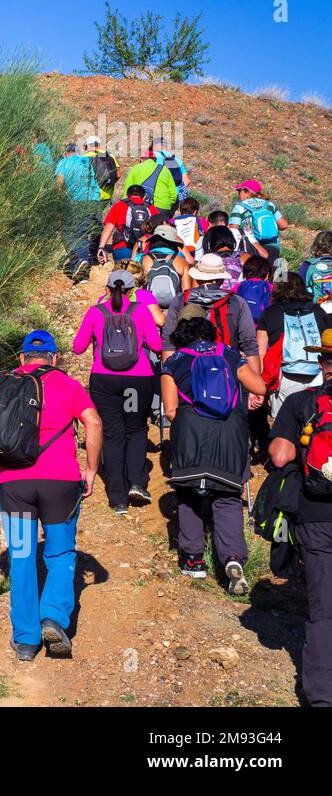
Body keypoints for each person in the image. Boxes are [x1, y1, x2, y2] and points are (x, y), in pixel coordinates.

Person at [0, 330, 102, 661]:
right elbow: (93, 422)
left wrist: (5, 457)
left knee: (21, 556)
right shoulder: (68, 384)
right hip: (60, 481)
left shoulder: (0, 382)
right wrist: (91, 469)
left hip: (14, 483)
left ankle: (26, 640)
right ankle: (54, 618)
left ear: (21, 358)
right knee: (60, 553)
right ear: (54, 358)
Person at [161, 316, 266, 591]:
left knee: (188, 494)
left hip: (191, 431)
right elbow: (259, 387)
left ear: (181, 338)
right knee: (228, 496)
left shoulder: (174, 361)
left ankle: (193, 561)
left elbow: (170, 410)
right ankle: (233, 558)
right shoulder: (229, 354)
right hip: (230, 431)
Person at [268, 329, 332, 706]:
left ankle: (321, 696)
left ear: (323, 362)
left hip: (316, 516)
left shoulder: (301, 402)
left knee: (324, 609)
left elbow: (279, 456)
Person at [73, 271, 164, 513]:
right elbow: (156, 345)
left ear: (107, 288)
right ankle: (137, 482)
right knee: (135, 429)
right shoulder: (140, 310)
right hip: (137, 379)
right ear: (131, 290)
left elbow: (78, 347)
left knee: (112, 434)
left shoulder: (96, 312)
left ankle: (117, 498)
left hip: (105, 380)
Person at [163, 252, 262, 378]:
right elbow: (249, 343)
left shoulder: (181, 300)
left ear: (197, 278)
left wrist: (168, 376)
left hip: (189, 372)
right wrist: (255, 382)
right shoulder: (236, 302)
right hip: (226, 372)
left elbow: (169, 342)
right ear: (222, 278)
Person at [259, 273, 331, 419]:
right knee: (316, 421)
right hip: (318, 375)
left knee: (284, 423)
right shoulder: (318, 311)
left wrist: (261, 386)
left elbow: (261, 352)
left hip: (286, 376)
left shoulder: (270, 313)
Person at [53, 141, 105, 282]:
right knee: (85, 232)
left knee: (70, 233)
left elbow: (59, 183)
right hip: (94, 202)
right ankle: (82, 269)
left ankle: (81, 261)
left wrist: (57, 201)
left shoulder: (64, 162)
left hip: (76, 203)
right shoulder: (86, 162)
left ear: (66, 153)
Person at [98, 184, 162, 266]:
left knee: (122, 272)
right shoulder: (151, 208)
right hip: (144, 249)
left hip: (122, 247)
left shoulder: (119, 205)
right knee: (142, 273)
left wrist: (101, 247)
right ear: (144, 197)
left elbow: (108, 227)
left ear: (127, 195)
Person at [123, 137, 190, 214]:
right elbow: (187, 181)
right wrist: (174, 195)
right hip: (169, 202)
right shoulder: (176, 159)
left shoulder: (152, 158)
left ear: (153, 146)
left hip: (150, 200)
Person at [229, 179, 289, 261]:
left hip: (252, 247)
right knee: (271, 268)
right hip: (273, 246)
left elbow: (233, 229)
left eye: (239, 191)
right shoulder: (269, 204)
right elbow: (284, 225)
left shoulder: (240, 207)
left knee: (255, 269)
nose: (238, 194)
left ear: (247, 192)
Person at [139, 223, 193, 308]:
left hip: (149, 307)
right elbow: (186, 294)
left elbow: (137, 291)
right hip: (173, 308)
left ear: (153, 241)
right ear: (174, 243)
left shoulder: (142, 259)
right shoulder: (182, 262)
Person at [83, 135, 120, 204]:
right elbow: (118, 174)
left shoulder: (85, 157)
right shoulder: (109, 155)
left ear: (88, 146)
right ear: (99, 145)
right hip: (107, 196)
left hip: (91, 197)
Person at [171, 196, 206, 263]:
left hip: (177, 257)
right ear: (195, 212)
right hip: (196, 258)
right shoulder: (203, 222)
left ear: (179, 211)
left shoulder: (171, 222)